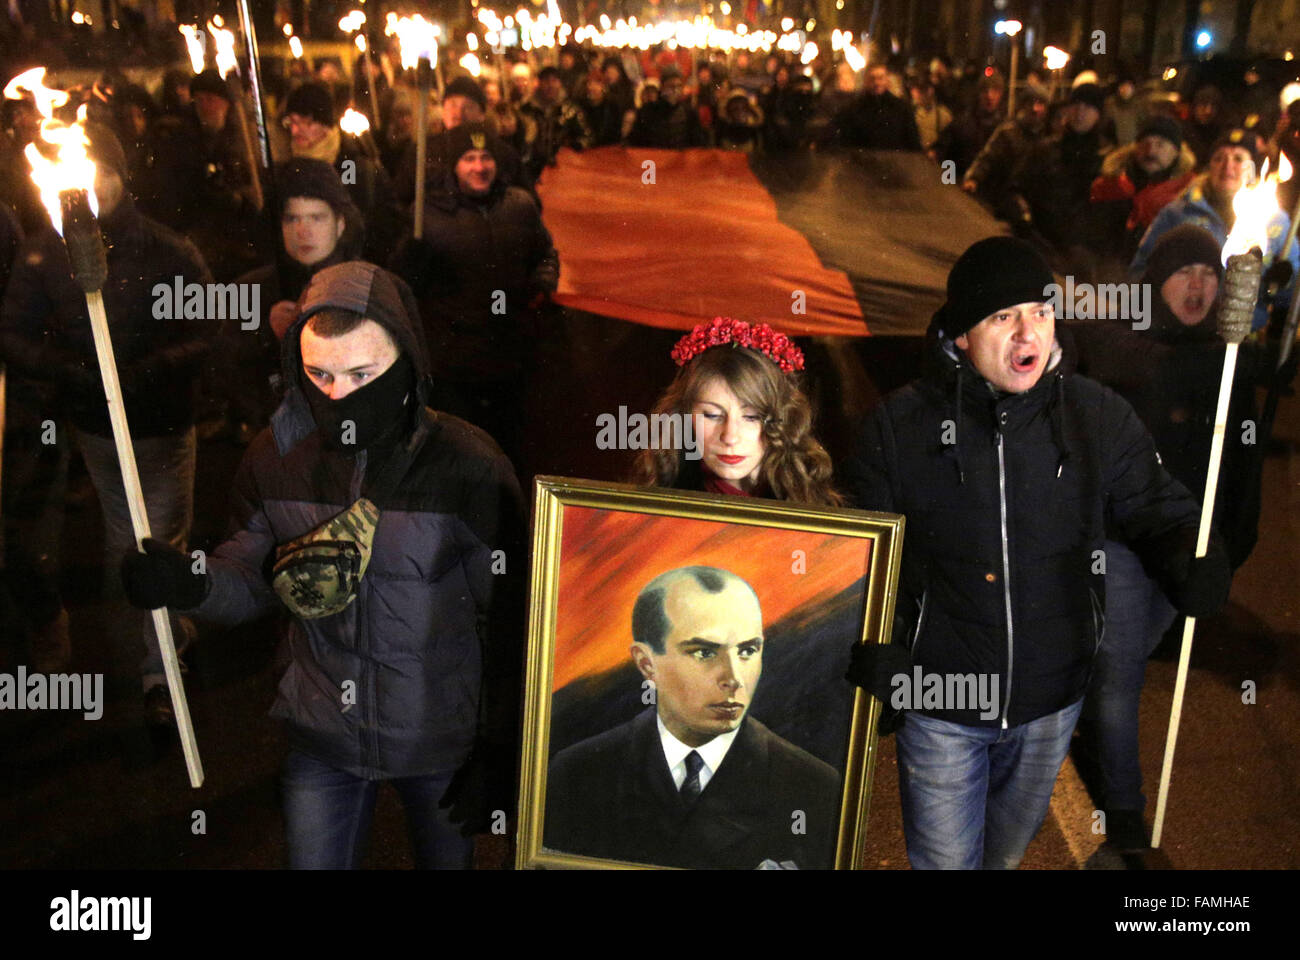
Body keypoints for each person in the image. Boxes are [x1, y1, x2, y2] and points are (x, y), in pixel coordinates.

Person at [840, 236, 1231, 869]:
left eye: (1041, 312)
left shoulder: (1094, 415)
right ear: (962, 334)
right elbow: (859, 559)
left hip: (1051, 703)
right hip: (941, 707)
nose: (1030, 332)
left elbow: (1157, 505)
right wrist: (877, 652)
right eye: (1003, 317)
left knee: (1001, 860)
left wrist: (1189, 551)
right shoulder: (898, 427)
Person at [120, 260, 526, 869]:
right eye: (319, 375)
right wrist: (190, 582)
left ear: (407, 360)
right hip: (323, 732)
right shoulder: (275, 456)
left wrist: (501, 742)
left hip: (439, 737)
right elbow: (250, 577)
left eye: (363, 373)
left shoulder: (467, 465)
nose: (339, 396)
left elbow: (517, 615)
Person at [1072, 225, 1296, 850]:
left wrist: (1228, 544)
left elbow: (1241, 471)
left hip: (1184, 550)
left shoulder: (1228, 365)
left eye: (1208, 274)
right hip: (1119, 542)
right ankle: (1125, 815)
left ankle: (1082, 712)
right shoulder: (1121, 348)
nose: (1197, 285)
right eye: (1183, 273)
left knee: (1130, 654)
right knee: (1120, 675)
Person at [0, 124, 212, 726]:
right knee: (128, 543)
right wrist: (66, 368)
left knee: (161, 543)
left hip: (164, 426)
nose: (94, 186)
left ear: (123, 177)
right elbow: (13, 331)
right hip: (97, 428)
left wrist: (150, 370)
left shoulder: (169, 251)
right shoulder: (46, 254)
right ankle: (155, 659)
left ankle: (162, 669)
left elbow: (202, 331)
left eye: (105, 172)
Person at [544, 565, 841, 869]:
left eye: (748, 650)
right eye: (704, 652)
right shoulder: (576, 774)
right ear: (647, 664)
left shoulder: (813, 787)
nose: (734, 678)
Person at [390, 122, 558, 470]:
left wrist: (543, 282)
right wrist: (412, 258)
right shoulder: (426, 216)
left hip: (509, 355)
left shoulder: (520, 205)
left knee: (509, 446)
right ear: (454, 165)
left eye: (486, 157)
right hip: (454, 363)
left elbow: (545, 253)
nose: (479, 167)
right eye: (469, 158)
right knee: (462, 453)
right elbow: (402, 283)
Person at [222, 158, 365, 438]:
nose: (303, 231)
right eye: (292, 218)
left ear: (340, 224)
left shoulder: (364, 285)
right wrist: (265, 335)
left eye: (316, 217)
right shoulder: (251, 288)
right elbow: (223, 373)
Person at [633, 317, 840, 505]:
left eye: (751, 417)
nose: (730, 437)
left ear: (781, 419)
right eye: (712, 415)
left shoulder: (816, 507)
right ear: (685, 417)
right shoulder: (654, 507)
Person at [1131, 129, 1298, 328]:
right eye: (1219, 158)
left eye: (1238, 158)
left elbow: (1292, 299)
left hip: (1243, 337)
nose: (1228, 166)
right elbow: (1140, 270)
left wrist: (1284, 283)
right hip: (1183, 334)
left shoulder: (1275, 222)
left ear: (1252, 167)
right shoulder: (1179, 212)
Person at [281, 81, 404, 265]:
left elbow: (379, 222)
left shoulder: (350, 164)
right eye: (292, 122)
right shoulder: (287, 169)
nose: (297, 130)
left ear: (326, 123)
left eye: (307, 122)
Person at [1006, 83, 1113, 270]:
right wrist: (1024, 221)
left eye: (1088, 107)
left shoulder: (1108, 160)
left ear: (1098, 115)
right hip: (1038, 248)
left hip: (1081, 261)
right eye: (1076, 105)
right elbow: (1016, 188)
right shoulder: (1045, 149)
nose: (1080, 112)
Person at [1090, 114, 1197, 263]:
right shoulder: (1110, 184)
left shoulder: (1189, 193)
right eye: (1145, 144)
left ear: (1176, 152)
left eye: (1160, 144)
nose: (1151, 151)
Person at [518, 65, 593, 181]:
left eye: (554, 80)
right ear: (539, 83)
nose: (550, 85)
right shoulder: (527, 110)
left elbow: (587, 136)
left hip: (563, 169)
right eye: (546, 81)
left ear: (560, 83)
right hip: (532, 169)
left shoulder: (570, 110)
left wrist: (573, 147)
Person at [833, 63, 922, 151]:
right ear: (866, 81)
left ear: (887, 80)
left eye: (880, 78)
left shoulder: (901, 109)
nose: (877, 83)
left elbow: (913, 141)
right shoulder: (854, 109)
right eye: (872, 79)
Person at [933, 72, 1006, 178]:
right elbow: (944, 147)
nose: (989, 96)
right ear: (979, 93)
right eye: (985, 91)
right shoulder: (963, 121)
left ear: (1001, 94)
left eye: (995, 91)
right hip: (960, 184)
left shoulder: (1005, 126)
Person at [628, 66, 706, 149]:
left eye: (679, 86)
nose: (675, 90)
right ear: (662, 87)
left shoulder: (689, 112)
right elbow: (636, 141)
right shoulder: (647, 111)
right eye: (671, 86)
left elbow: (698, 143)